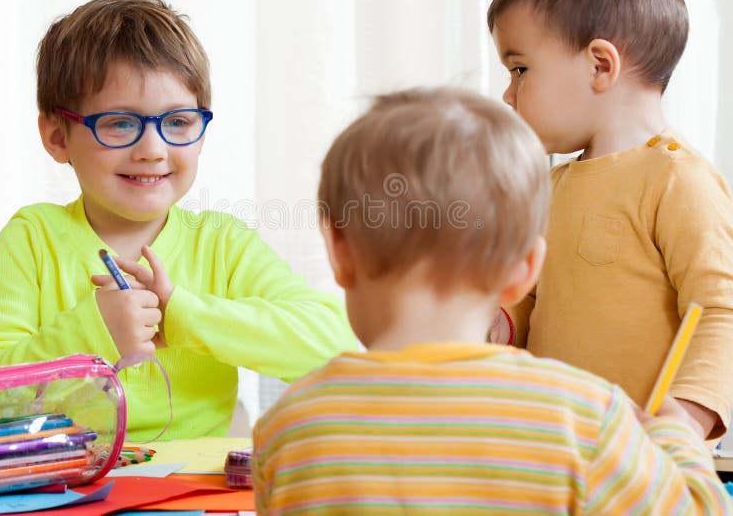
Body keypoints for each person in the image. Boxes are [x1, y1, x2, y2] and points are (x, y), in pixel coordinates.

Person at [252, 88, 732, 515]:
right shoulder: (584, 421)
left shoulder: (289, 428)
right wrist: (675, 433)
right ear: (525, 271)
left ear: (337, 251)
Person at [0, 0, 357, 440]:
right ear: (57, 136)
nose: (152, 150)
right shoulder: (32, 238)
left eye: (179, 122)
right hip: (62, 490)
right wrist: (95, 330)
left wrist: (183, 316)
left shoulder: (223, 243)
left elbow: (335, 349)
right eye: (119, 123)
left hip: (195, 493)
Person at [487, 0, 733, 440]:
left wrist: (684, 418)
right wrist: (498, 325)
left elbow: (722, 310)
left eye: (520, 69)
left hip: (646, 461)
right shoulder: (549, 188)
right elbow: (529, 300)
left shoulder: (677, 180)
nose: (508, 94)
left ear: (600, 65)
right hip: (557, 453)